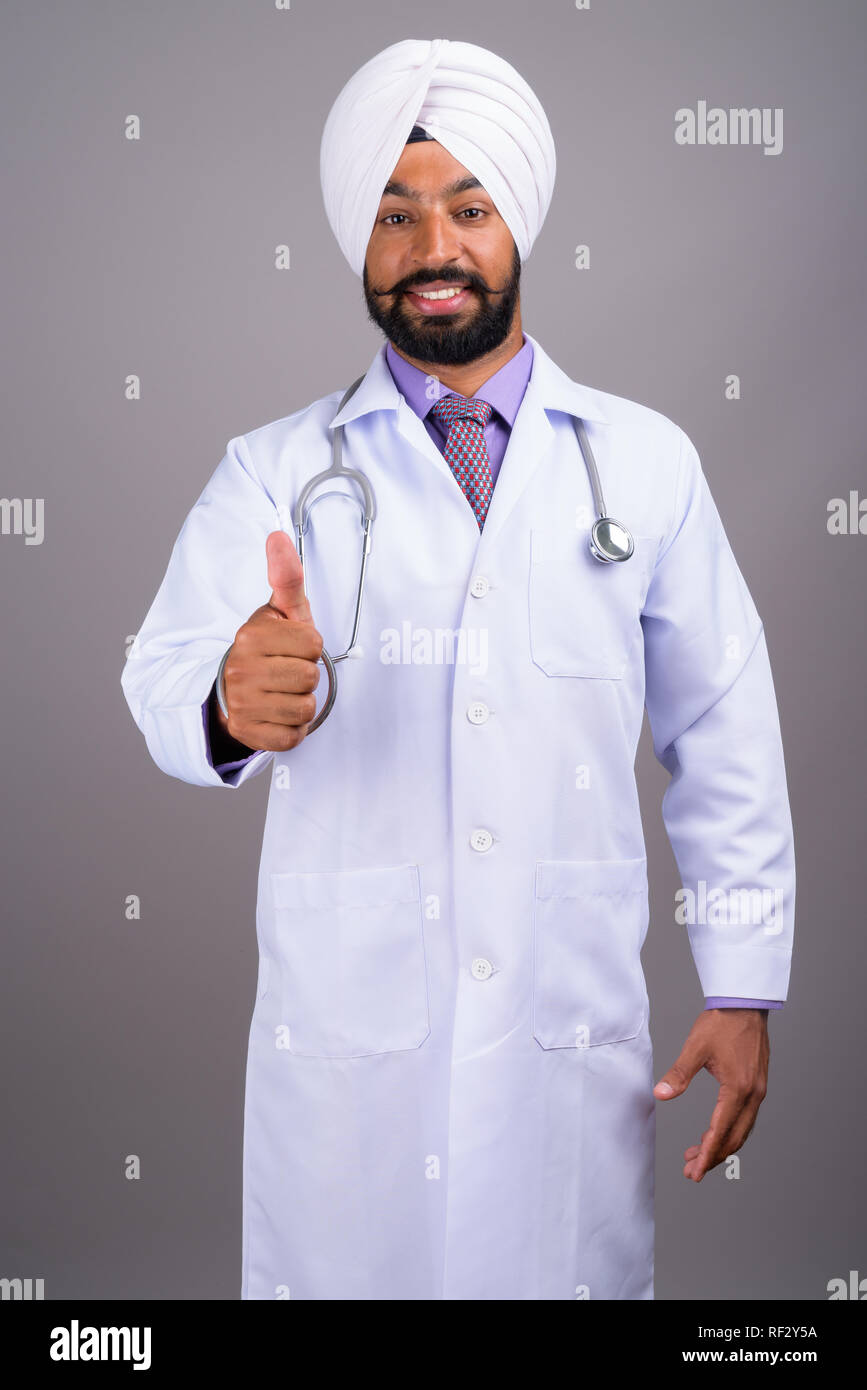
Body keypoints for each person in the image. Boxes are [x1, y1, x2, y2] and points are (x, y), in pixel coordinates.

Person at [121, 38, 795, 1301]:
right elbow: (160, 676)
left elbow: (726, 730)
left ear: (517, 222)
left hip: (566, 1054)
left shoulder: (644, 466)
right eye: (395, 213)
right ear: (359, 241)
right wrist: (223, 703)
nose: (435, 246)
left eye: (469, 207)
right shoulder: (274, 469)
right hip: (350, 1064)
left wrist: (744, 981)